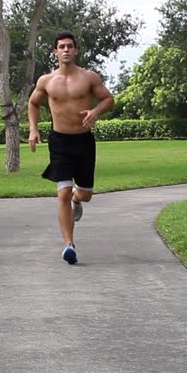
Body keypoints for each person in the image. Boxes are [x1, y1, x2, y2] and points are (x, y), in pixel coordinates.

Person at [27, 32, 114, 264]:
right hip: (59, 142)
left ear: (75, 50)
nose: (65, 50)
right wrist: (33, 129)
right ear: (55, 52)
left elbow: (108, 99)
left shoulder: (89, 77)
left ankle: (78, 200)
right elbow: (33, 103)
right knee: (63, 192)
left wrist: (95, 112)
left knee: (84, 195)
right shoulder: (46, 81)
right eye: (61, 47)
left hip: (84, 141)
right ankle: (69, 245)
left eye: (69, 46)